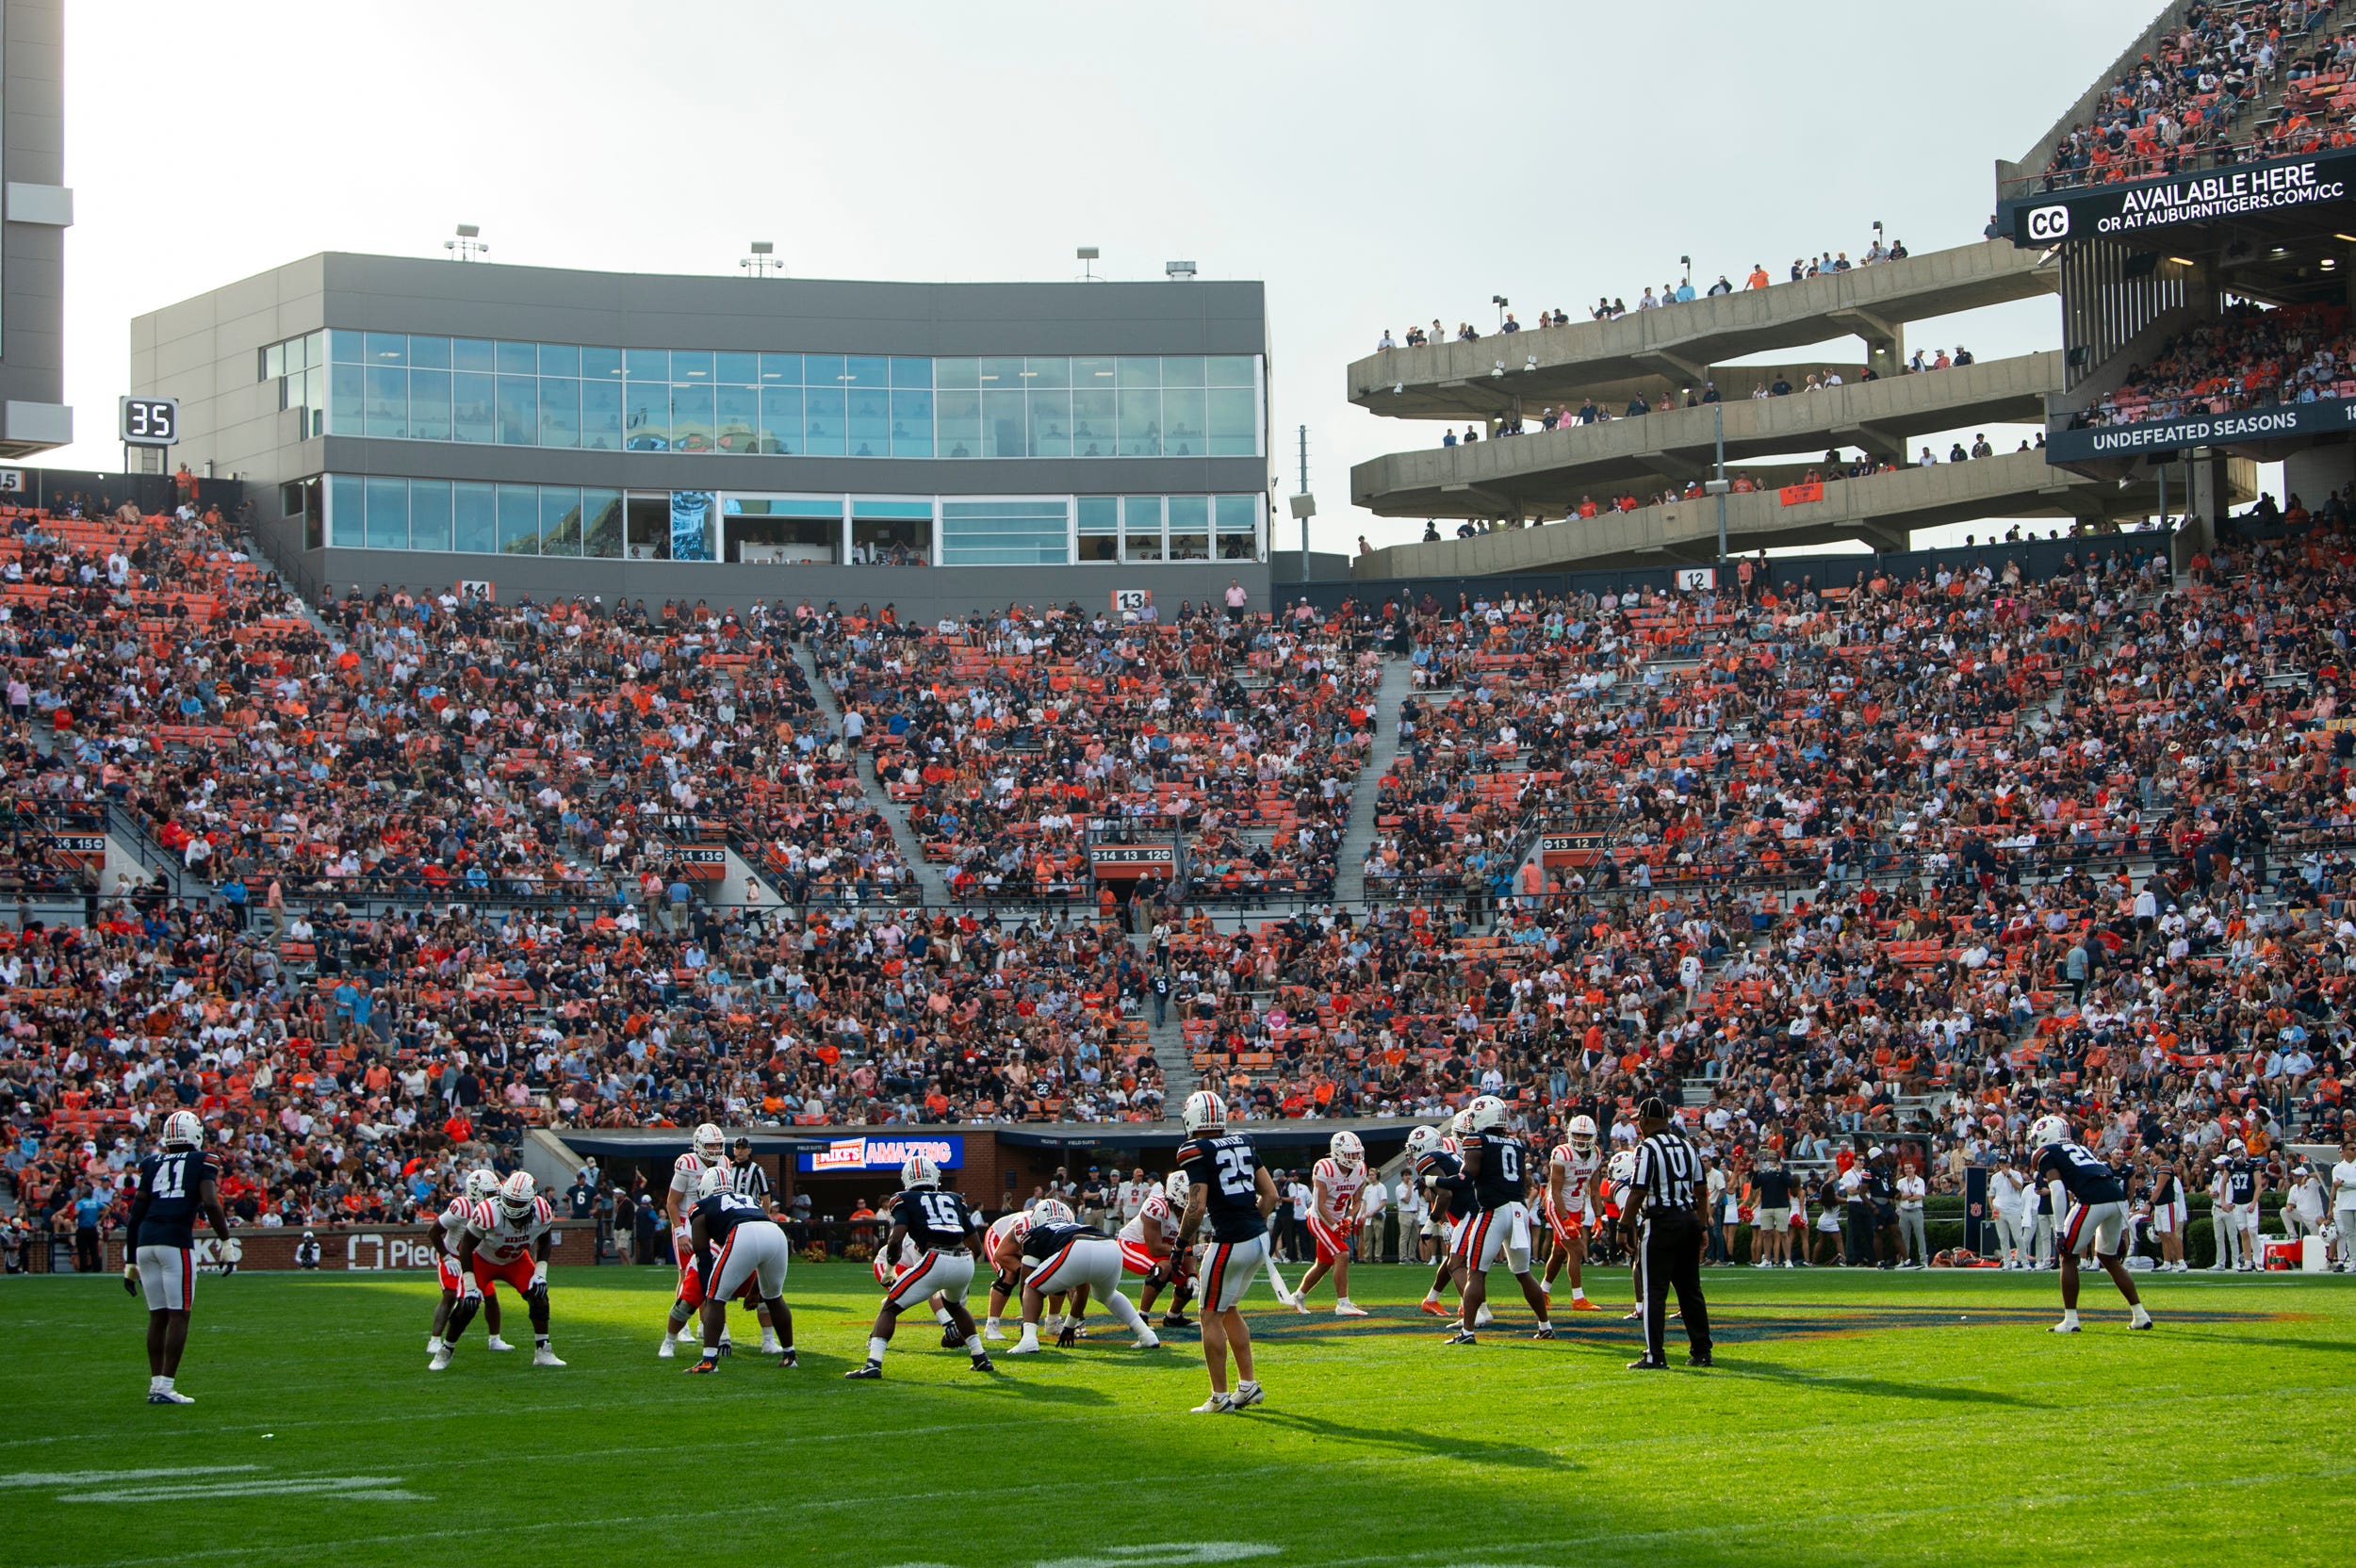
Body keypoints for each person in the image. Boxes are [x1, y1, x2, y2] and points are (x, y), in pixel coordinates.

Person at [1171, 1089, 1278, 1413]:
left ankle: (1219, 1398)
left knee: (1208, 1315)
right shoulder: (1244, 1141)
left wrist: (1180, 1246)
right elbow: (1271, 1196)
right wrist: (1251, 1226)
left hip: (1230, 1240)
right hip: (1259, 1238)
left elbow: (1196, 1206)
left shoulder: (1194, 1149)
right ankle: (1247, 1386)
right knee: (1228, 1307)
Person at [122, 1110, 235, 1404]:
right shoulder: (203, 1159)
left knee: (157, 1316)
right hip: (175, 1242)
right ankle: (165, 1387)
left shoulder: (152, 1162)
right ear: (195, 1133)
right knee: (179, 1313)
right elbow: (210, 1201)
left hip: (145, 1242)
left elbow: (135, 1215)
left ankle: (156, 1385)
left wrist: (130, 1260)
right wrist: (226, 1240)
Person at [844, 1154, 990, 1380]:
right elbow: (976, 1247)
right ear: (935, 1176)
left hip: (936, 1258)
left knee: (890, 1307)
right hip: (964, 1260)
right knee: (955, 1306)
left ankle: (873, 1363)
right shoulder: (954, 1198)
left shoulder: (904, 1199)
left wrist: (890, 1268)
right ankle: (980, 1357)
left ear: (906, 1179)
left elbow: (895, 1240)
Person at [1441, 1096, 1554, 1345]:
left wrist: (1435, 1182)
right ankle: (1545, 1326)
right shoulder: (1516, 1145)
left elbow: (1465, 1177)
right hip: (1518, 1210)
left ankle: (1467, 1332)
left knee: (1476, 1273)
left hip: (1493, 1211)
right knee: (1523, 1273)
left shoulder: (1476, 1140)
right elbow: (1524, 1182)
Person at [2028, 1115, 2152, 1333]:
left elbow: (2057, 1190)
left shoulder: (2047, 1153)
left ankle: (2070, 1319)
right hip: (2115, 1198)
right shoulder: (2080, 1148)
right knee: (2108, 1258)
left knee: (2067, 1255)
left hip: (2092, 1199)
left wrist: (2059, 1230)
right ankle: (2140, 1315)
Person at [1619, 1097, 1712, 1370]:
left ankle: (1654, 1355)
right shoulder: (1687, 1146)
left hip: (1661, 1223)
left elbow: (1637, 1191)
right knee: (1691, 1290)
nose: (1639, 1126)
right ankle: (1702, 1351)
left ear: (1646, 1121)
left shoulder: (1647, 1148)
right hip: (1688, 1221)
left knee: (1654, 1292)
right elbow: (1700, 1191)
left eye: (1640, 1121)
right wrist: (1702, 1226)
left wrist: (1624, 1227)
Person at [997, 1197, 1159, 1356]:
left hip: (1078, 1246)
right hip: (1110, 1246)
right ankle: (1147, 1335)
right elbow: (1083, 1290)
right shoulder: (1074, 1226)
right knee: (1107, 1295)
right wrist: (1069, 1326)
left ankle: (1029, 1340)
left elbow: (1026, 1284)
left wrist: (1027, 1323)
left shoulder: (1035, 1233)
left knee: (1031, 1286)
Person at [446, 1171, 564, 1369]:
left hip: (516, 1261)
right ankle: (446, 1350)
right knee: (468, 1304)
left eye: (518, 1203)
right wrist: (469, 1283)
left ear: (530, 1201)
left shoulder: (541, 1210)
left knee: (540, 1296)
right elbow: (465, 1246)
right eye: (509, 1200)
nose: (513, 1206)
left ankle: (543, 1350)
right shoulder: (489, 1211)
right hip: (483, 1260)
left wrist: (540, 1274)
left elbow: (545, 1243)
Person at [683, 1168, 797, 1373]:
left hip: (742, 1233)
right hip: (775, 1234)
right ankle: (790, 1355)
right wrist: (755, 1290)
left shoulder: (700, 1206)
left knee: (716, 1298)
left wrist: (708, 1292)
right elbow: (760, 1248)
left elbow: (702, 1253)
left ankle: (709, 1360)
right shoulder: (748, 1199)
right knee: (774, 1297)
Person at [661, 1124, 731, 1358]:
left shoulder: (725, 1163)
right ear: (699, 1144)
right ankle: (683, 1325)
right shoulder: (687, 1164)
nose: (714, 1149)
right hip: (687, 1221)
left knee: (711, 1274)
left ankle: (705, 1323)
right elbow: (672, 1202)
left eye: (717, 1145)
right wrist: (679, 1231)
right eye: (710, 1145)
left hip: (711, 1222)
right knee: (686, 1274)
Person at [428, 1170, 510, 1364]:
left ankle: (495, 1339)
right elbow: (433, 1232)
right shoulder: (462, 1207)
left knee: (490, 1296)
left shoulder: (494, 1209)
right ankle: (434, 1340)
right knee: (449, 1294)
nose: (495, 1197)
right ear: (476, 1192)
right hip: (453, 1255)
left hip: (475, 1258)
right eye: (490, 1193)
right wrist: (447, 1257)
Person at [1290, 1132, 1370, 1315]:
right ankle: (1343, 1303)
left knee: (1324, 1264)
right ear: (1338, 1153)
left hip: (1337, 1219)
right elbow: (1318, 1206)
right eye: (1351, 1154)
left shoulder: (1360, 1169)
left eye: (1357, 1153)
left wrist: (1348, 1219)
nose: (1356, 1158)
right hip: (1318, 1219)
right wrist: (1334, 1226)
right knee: (1342, 1254)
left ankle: (1299, 1295)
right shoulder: (1324, 1168)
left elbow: (1356, 1201)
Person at [1540, 1115, 1606, 1307]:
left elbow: (1594, 1190)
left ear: (1593, 1137)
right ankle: (1578, 1298)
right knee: (1576, 1249)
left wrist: (1599, 1218)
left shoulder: (1595, 1154)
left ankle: (1542, 1292)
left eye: (1586, 1136)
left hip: (1576, 1206)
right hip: (1558, 1206)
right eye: (1578, 1134)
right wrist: (1565, 1219)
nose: (1582, 1139)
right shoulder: (1562, 1154)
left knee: (1560, 1252)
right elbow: (1556, 1191)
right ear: (1570, 1134)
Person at [1118, 1169, 1196, 1327]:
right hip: (1132, 1244)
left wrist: (1193, 1273)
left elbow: (1189, 1246)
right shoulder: (1156, 1206)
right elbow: (1155, 1248)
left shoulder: (1192, 1213)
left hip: (1164, 1248)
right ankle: (1141, 1318)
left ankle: (1173, 1317)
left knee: (1190, 1283)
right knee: (1163, 1268)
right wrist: (1188, 1251)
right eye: (1188, 1195)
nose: (1193, 1199)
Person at [1750, 1148, 1795, 1268]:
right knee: (1766, 1233)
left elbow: (1791, 1184)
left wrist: (1780, 1173)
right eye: (1769, 1157)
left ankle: (1788, 1259)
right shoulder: (1764, 1172)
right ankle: (1767, 1259)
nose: (1770, 1159)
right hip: (1767, 1205)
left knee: (1783, 1233)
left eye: (1772, 1157)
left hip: (1781, 1205)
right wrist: (1755, 1172)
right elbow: (1755, 1185)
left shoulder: (1784, 1171)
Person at [2331, 1140, 2356, 1272]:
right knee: (2350, 1234)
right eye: (2352, 1149)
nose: (2355, 1151)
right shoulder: (2338, 1168)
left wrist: (2345, 1183)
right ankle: (2353, 1262)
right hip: (2344, 1205)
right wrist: (2346, 1185)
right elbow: (2337, 1186)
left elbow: (2342, 1184)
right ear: (2345, 1151)